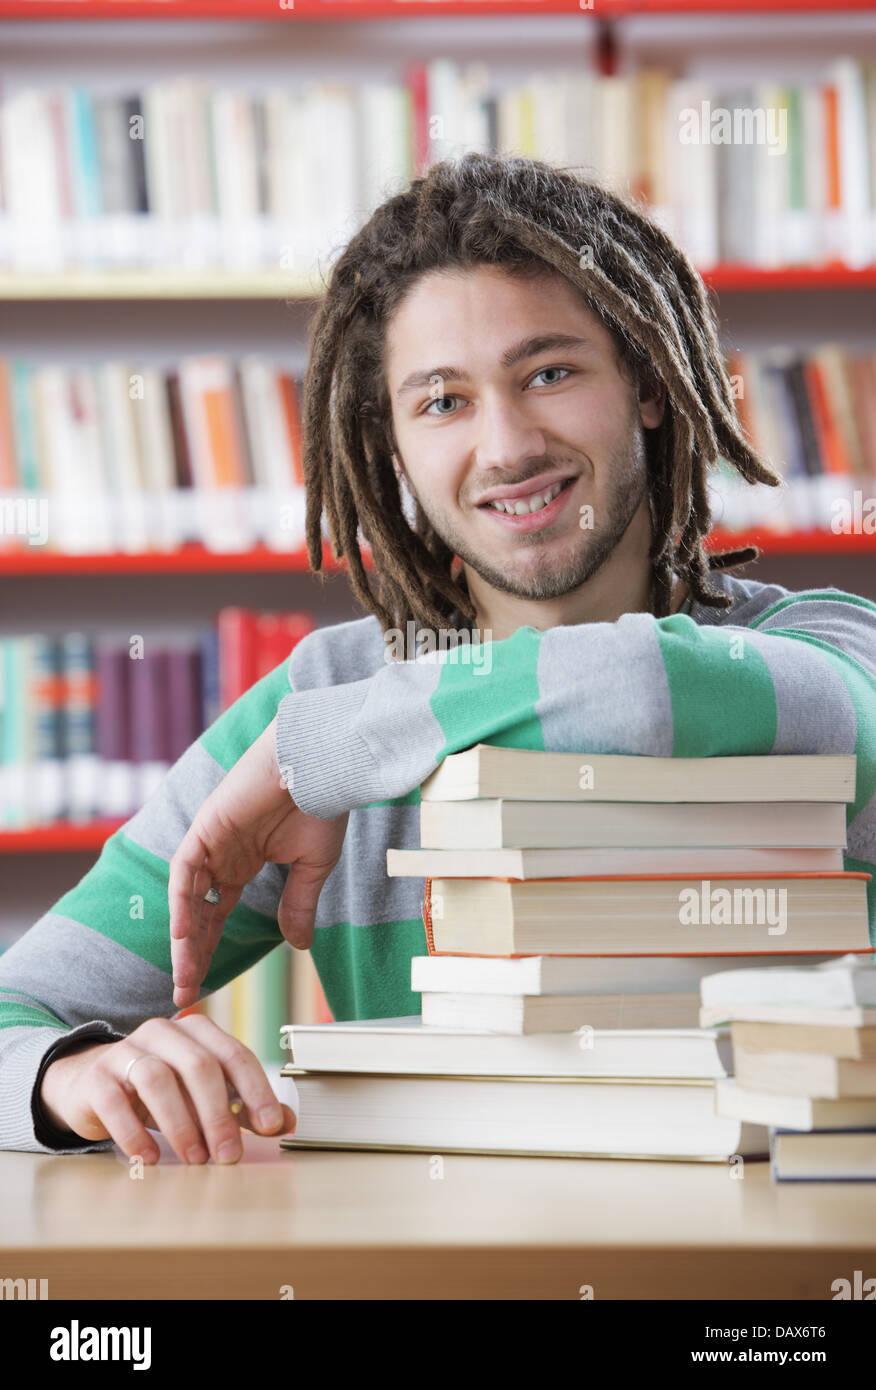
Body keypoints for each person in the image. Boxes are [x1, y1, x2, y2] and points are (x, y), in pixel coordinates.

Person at [2, 154, 874, 1165]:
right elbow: (15, 1008)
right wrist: (69, 1074)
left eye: (549, 372)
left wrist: (332, 750)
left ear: (644, 383)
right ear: (395, 450)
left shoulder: (825, 649)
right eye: (442, 402)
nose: (506, 445)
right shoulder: (320, 706)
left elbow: (646, 691)